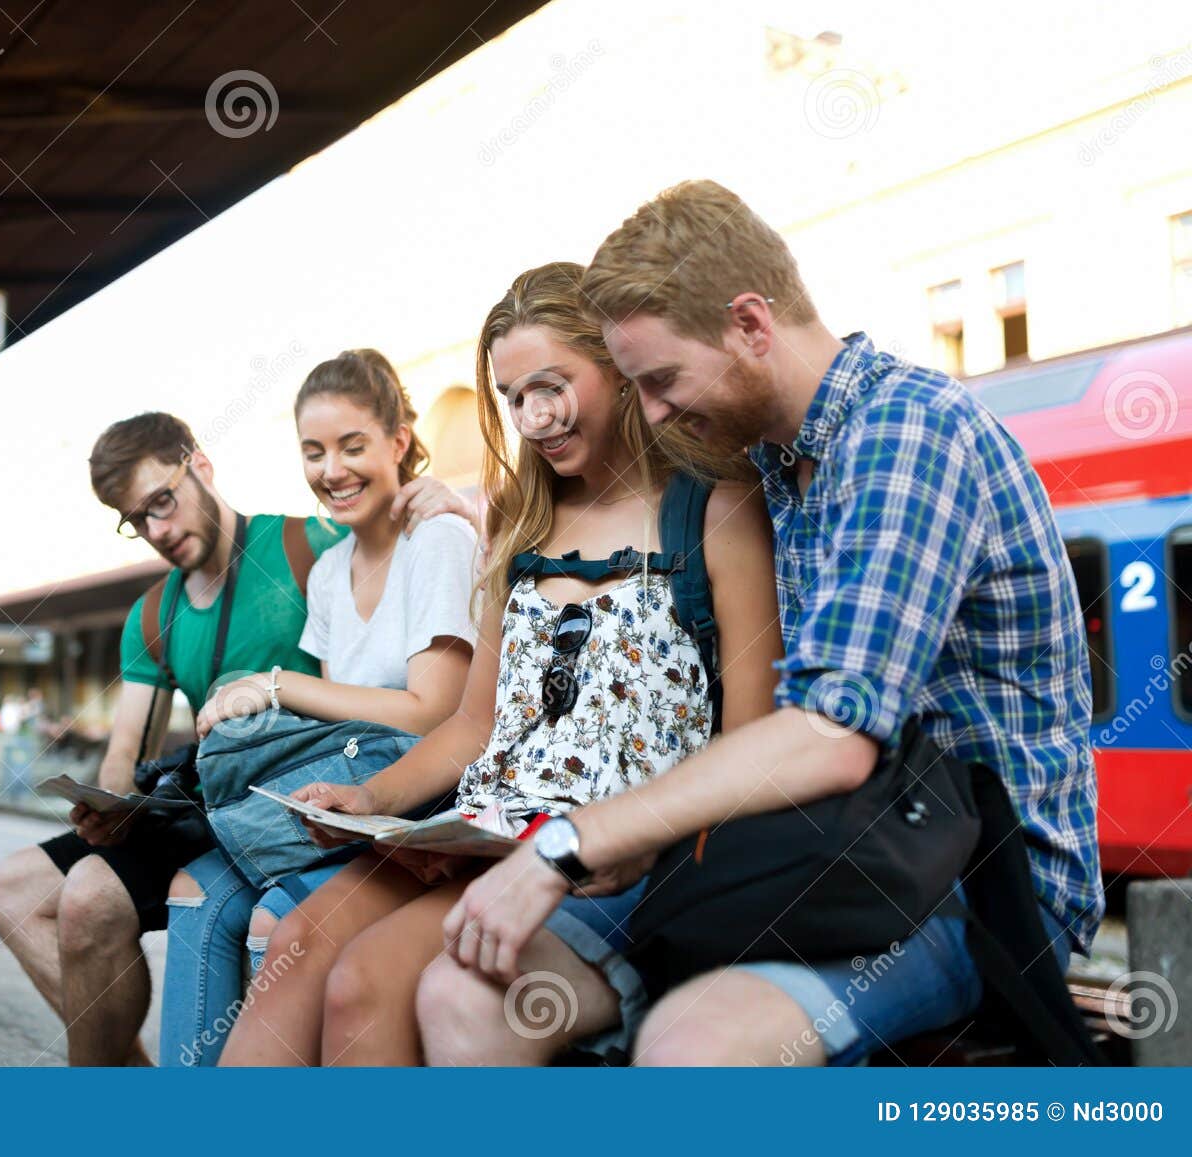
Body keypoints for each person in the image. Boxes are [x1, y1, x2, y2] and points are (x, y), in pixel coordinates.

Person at [439, 180, 1100, 1067]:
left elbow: (832, 733)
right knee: (466, 992)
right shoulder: (769, 456)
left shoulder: (909, 435)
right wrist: (434, 506)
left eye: (663, 380)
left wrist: (567, 841)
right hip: (812, 857)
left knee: (694, 1042)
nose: (656, 412)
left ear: (751, 324)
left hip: (964, 880)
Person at [218, 263, 782, 1066]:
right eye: (513, 396)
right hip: (480, 829)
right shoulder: (521, 526)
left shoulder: (715, 509)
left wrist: (644, 841)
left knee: (363, 984)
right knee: (298, 947)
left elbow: (751, 746)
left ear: (619, 366)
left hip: (609, 860)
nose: (534, 415)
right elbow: (473, 725)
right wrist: (368, 797)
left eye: (552, 385)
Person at [0, 410, 471, 1066]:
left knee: (89, 896)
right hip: (197, 803)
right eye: (138, 518)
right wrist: (106, 803)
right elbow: (128, 745)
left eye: (163, 500)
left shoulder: (310, 546)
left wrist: (456, 502)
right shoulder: (154, 611)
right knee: (13, 886)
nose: (158, 530)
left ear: (200, 465)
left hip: (294, 793)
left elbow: (388, 525)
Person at [159, 349, 479, 1065]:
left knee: (277, 919)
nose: (332, 469)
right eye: (314, 451)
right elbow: (341, 731)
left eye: (352, 445)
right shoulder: (331, 572)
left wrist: (278, 684)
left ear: (399, 441)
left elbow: (434, 713)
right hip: (341, 797)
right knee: (193, 895)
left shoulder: (439, 541)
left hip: (417, 803)